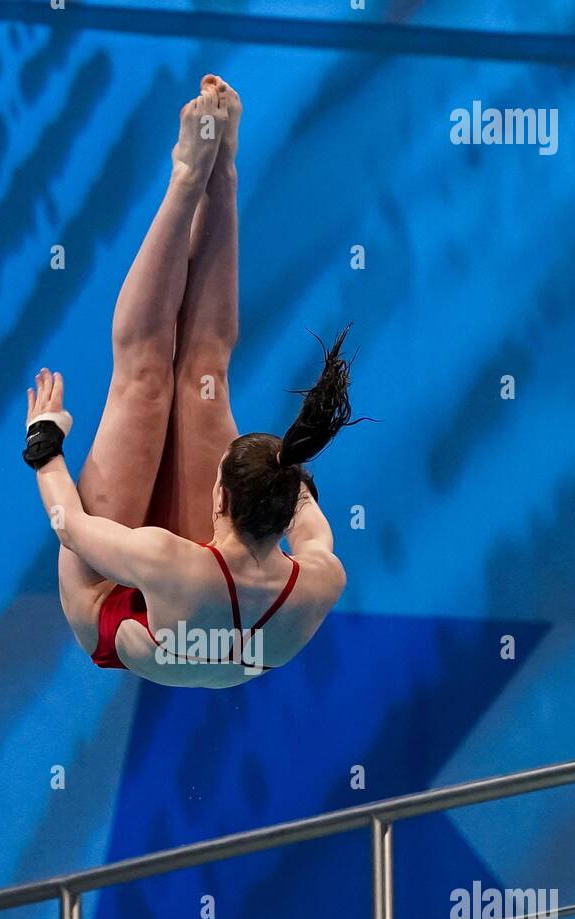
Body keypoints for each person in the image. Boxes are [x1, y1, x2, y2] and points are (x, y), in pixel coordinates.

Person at [22, 76, 360, 689]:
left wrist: (45, 444)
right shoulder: (316, 580)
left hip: (115, 598)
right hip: (184, 587)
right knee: (193, 375)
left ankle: (195, 174)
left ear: (218, 497)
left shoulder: (307, 565)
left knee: (149, 380)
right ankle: (218, 173)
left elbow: (70, 525)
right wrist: (45, 441)